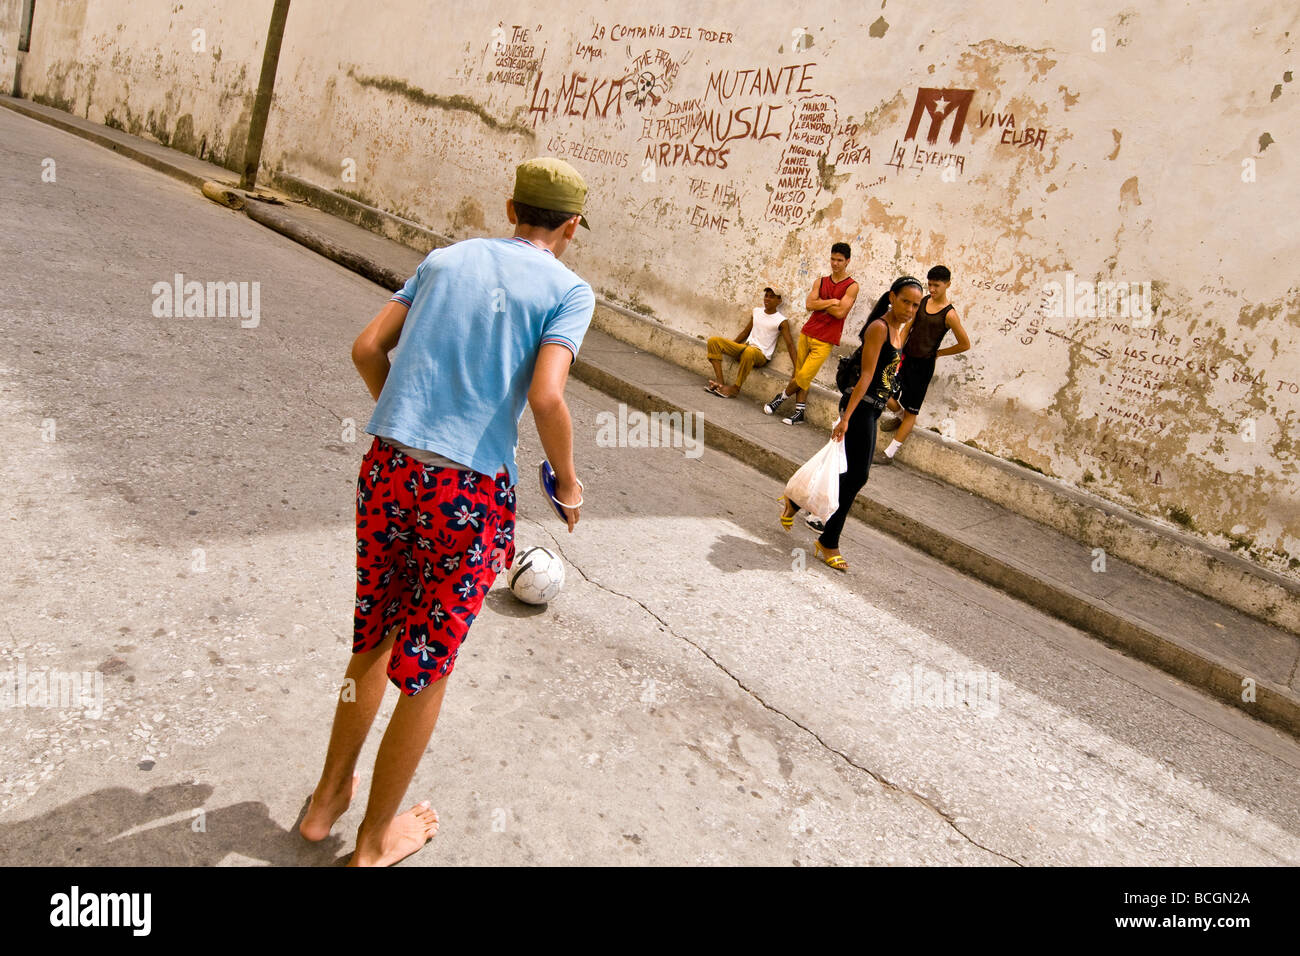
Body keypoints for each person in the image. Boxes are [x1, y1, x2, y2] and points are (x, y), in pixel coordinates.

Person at [300, 157, 595, 866]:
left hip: (390, 466)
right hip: (466, 494)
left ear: (510, 206)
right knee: (426, 665)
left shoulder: (444, 259)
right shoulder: (567, 290)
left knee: (373, 633)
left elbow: (368, 347)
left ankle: (324, 802)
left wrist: (408, 420)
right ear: (573, 227)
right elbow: (548, 397)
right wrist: (569, 483)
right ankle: (372, 844)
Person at [780, 277, 923, 569]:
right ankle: (828, 540)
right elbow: (866, 376)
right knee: (858, 476)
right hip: (859, 409)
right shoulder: (878, 328)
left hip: (873, 408)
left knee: (846, 471)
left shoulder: (900, 329)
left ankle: (798, 501)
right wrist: (845, 418)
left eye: (916, 305)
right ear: (892, 297)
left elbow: (887, 375)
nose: (910, 309)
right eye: (906, 301)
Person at [876, 265, 971, 464]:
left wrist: (939, 353)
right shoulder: (923, 301)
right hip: (905, 358)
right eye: (929, 284)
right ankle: (900, 415)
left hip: (923, 367)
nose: (932, 289)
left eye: (936, 285)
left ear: (948, 285)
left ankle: (889, 453)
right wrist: (896, 349)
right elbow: (908, 327)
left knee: (913, 411)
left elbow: (965, 344)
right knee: (883, 390)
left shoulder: (949, 314)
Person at [764, 242, 860, 425]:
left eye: (840, 260)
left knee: (803, 376)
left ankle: (780, 398)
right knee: (800, 374)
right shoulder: (821, 281)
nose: (835, 263)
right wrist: (832, 301)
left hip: (825, 340)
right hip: (808, 332)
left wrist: (821, 302)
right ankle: (799, 412)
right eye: (833, 259)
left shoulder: (852, 286)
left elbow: (841, 313)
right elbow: (809, 305)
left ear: (847, 261)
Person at [705, 286, 795, 397]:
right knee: (714, 341)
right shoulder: (757, 311)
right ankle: (719, 382)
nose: (767, 299)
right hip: (745, 348)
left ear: (779, 301)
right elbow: (745, 333)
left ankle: (735, 388)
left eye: (772, 297)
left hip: (760, 355)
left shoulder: (781, 321)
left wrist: (797, 368)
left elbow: (790, 344)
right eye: (766, 296)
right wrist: (731, 347)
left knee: (749, 351)